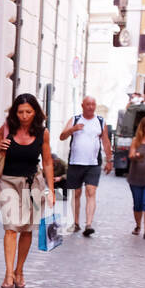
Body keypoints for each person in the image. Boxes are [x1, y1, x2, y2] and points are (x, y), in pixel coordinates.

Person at [0, 93, 55, 288]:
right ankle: (9, 274)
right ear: (15, 112)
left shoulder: (42, 133)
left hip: (32, 184)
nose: (24, 116)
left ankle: (20, 271)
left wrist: (51, 190)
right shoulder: (8, 128)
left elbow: (47, 162)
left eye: (28, 111)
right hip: (8, 182)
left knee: (26, 230)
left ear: (35, 112)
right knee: (11, 227)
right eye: (20, 112)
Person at [58, 96, 114, 236]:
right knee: (76, 194)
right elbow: (62, 136)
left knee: (91, 191)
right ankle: (75, 223)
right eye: (88, 104)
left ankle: (88, 224)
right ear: (82, 105)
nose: (90, 107)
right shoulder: (75, 119)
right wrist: (73, 129)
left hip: (93, 164)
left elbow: (106, 142)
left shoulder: (100, 121)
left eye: (93, 104)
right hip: (75, 162)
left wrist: (109, 160)